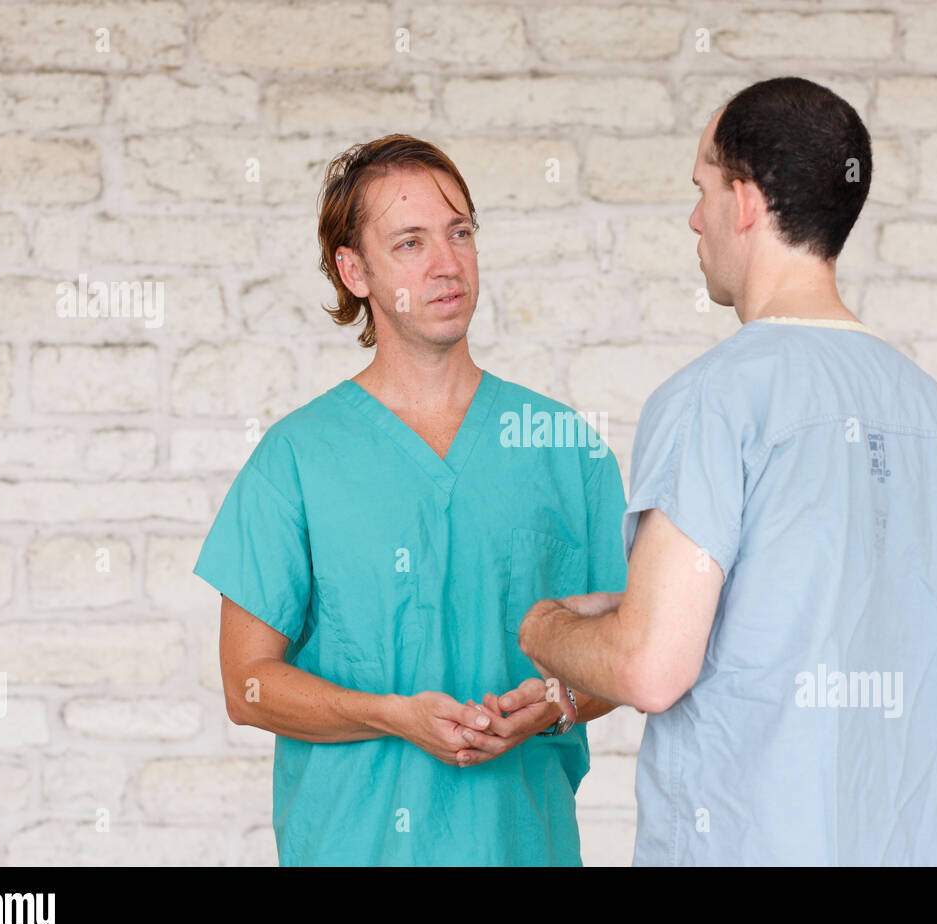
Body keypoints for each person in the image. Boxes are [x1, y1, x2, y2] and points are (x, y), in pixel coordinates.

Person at [519, 77, 937, 866]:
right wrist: (657, 606)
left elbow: (650, 667)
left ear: (744, 202)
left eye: (701, 189)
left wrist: (545, 627)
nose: (694, 218)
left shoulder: (714, 398)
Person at [193, 134, 626, 865]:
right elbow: (248, 686)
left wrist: (555, 703)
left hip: (522, 845)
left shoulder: (563, 448)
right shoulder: (297, 459)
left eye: (460, 233)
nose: (447, 264)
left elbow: (629, 649)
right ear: (353, 270)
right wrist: (392, 717)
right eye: (410, 243)